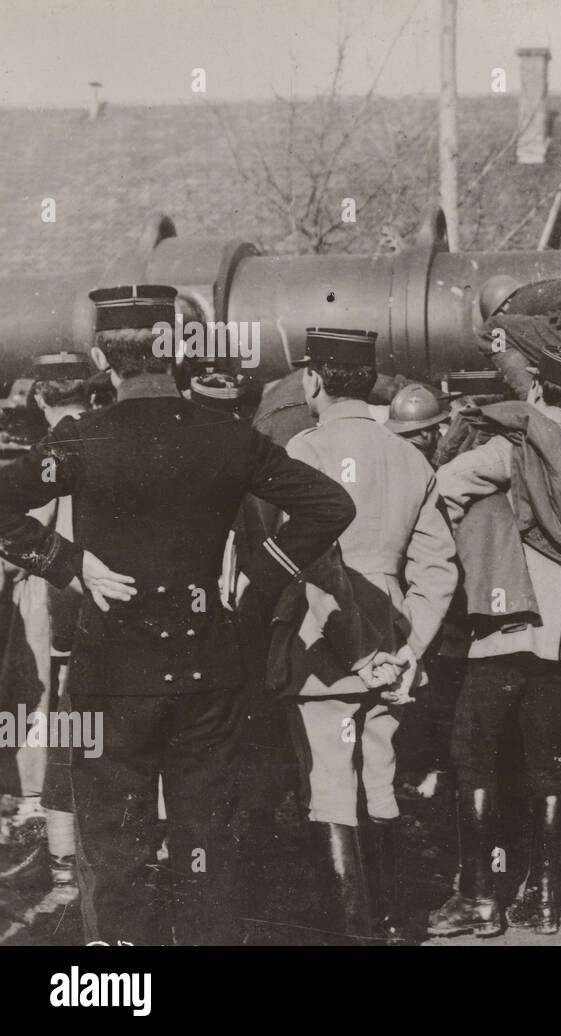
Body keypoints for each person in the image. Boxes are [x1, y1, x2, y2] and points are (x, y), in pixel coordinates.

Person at [0, 285, 361, 945]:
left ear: (100, 357)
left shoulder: (81, 437)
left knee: (113, 848)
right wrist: (258, 576)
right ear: (178, 349)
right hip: (209, 673)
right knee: (207, 847)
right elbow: (331, 507)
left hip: (110, 675)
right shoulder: (230, 437)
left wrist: (67, 562)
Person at [428, 337, 561, 938]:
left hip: (505, 620)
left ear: (537, 390)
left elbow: (443, 489)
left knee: (475, 757)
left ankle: (481, 901)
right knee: (549, 765)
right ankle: (543, 902)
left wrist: (484, 544)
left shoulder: (511, 446)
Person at [281, 328, 459, 942]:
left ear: (313, 380)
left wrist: (353, 648)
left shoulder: (304, 451)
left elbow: (312, 563)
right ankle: (388, 922)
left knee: (329, 784)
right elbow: (438, 566)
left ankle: (348, 930)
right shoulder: (409, 456)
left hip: (325, 638)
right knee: (380, 776)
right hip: (396, 638)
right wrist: (411, 648)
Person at [29, 352, 95, 904]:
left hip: (68, 624)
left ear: (39, 397)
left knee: (66, 740)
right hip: (130, 614)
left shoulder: (50, 455)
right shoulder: (109, 436)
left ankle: (64, 869)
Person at [385, 381, 454, 464]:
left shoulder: (387, 457)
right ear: (424, 432)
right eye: (436, 427)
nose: (439, 431)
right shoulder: (422, 464)